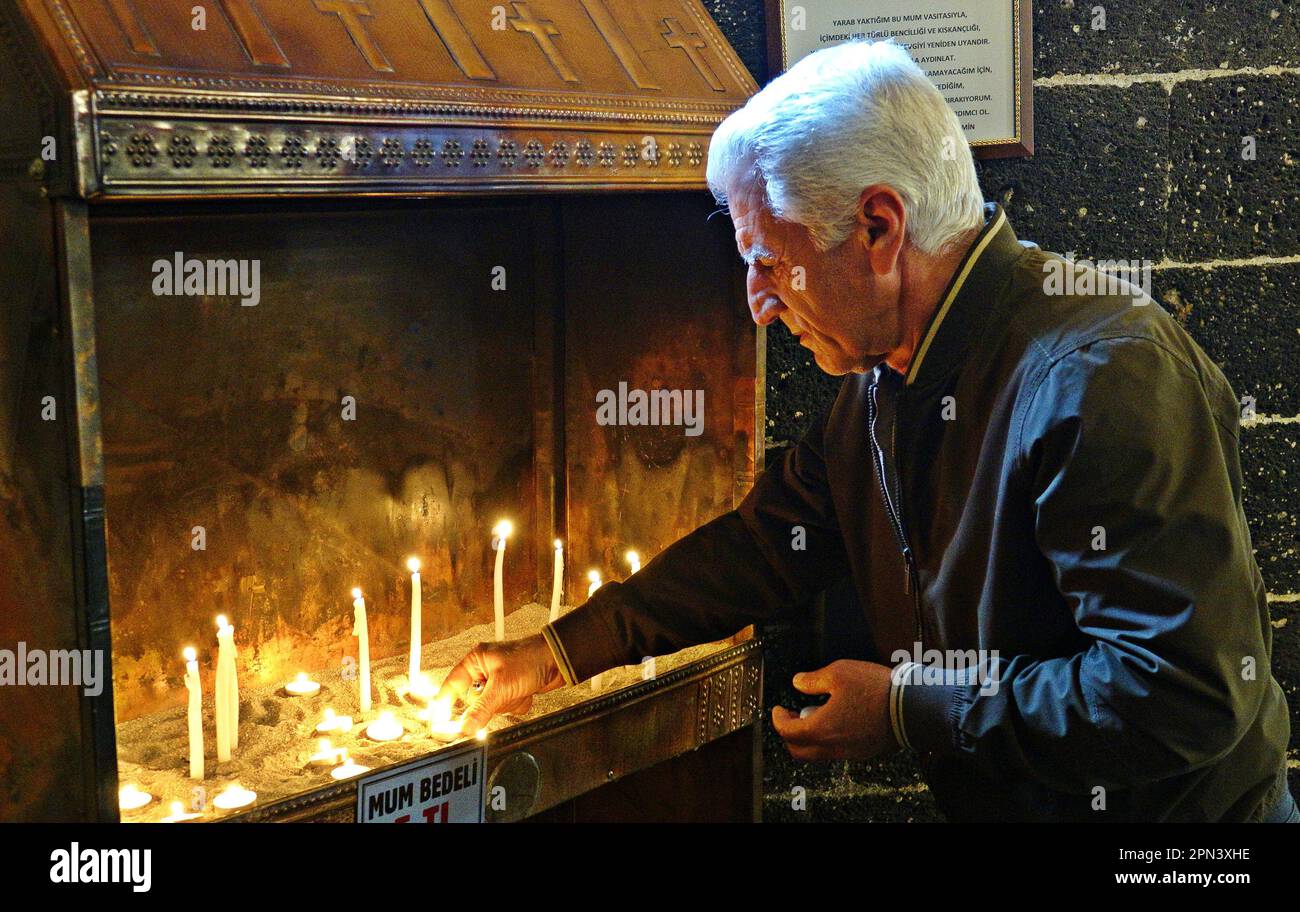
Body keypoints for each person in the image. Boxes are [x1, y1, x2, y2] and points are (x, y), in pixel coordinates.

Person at [437, 40, 1292, 822]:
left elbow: (1182, 695)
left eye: (769, 262)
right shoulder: (888, 369)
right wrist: (556, 653)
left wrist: (906, 708)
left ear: (879, 228)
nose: (759, 306)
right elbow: (766, 546)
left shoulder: (1103, 375)